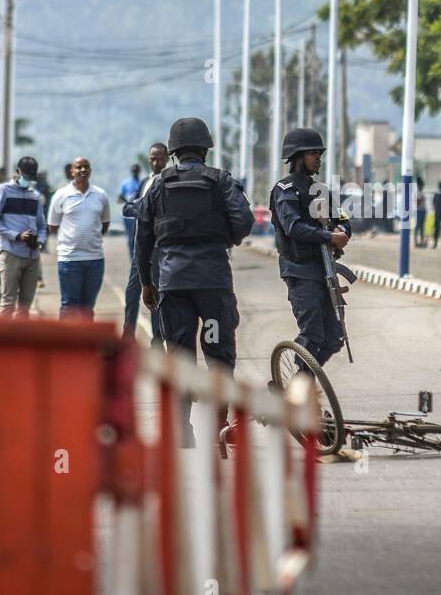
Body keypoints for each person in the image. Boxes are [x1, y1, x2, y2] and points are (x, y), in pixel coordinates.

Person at [135, 117, 254, 448]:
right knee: (218, 353)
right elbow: (243, 222)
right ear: (205, 149)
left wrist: (147, 282)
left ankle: (182, 430)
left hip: (173, 285)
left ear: (173, 152)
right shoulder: (220, 181)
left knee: (180, 356)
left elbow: (142, 237)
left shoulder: (158, 184)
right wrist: (223, 239)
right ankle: (219, 425)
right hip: (212, 285)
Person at [270, 128, 351, 370]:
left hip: (324, 270)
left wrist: (343, 231)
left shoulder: (321, 190)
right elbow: (293, 227)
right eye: (313, 153)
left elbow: (343, 218)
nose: (318, 158)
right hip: (299, 271)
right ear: (297, 157)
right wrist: (328, 236)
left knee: (335, 336)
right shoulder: (285, 190)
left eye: (319, 153)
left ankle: (299, 385)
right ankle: (297, 392)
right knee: (313, 333)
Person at [46, 156, 112, 319]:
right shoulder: (61, 195)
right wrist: (70, 240)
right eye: (79, 167)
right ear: (71, 171)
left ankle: (85, 344)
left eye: (86, 167)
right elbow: (53, 226)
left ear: (90, 170)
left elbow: (104, 224)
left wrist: (89, 238)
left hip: (95, 260)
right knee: (69, 306)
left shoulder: (101, 195)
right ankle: (65, 344)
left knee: (87, 307)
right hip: (69, 260)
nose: (83, 170)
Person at [0, 155, 47, 316]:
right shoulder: (3, 191)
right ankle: (2, 340)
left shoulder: (35, 196)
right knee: (8, 303)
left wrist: (39, 242)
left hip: (32, 256)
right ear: (18, 172)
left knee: (25, 306)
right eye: (26, 177)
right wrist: (17, 236)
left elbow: (42, 225)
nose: (28, 181)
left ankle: (21, 340)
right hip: (11, 253)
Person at [122, 143, 168, 342]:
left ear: (167, 158)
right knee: (132, 292)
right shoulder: (145, 182)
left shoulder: (168, 182)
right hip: (141, 249)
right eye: (152, 158)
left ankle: (157, 341)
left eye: (159, 158)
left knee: (154, 295)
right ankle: (127, 336)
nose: (155, 162)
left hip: (158, 249)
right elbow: (131, 206)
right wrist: (136, 209)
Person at [117, 163, 144, 255]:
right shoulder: (125, 183)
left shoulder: (142, 183)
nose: (135, 172)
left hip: (139, 214)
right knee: (130, 237)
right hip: (128, 216)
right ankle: (132, 257)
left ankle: (138, 257)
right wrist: (129, 202)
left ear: (139, 171)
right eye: (133, 170)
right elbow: (119, 197)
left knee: (139, 237)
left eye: (136, 170)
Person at [414, 176, 428, 248]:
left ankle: (421, 241)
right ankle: (416, 241)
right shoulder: (418, 193)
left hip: (422, 210)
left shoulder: (420, 192)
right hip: (420, 210)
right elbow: (418, 203)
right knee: (418, 226)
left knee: (421, 227)